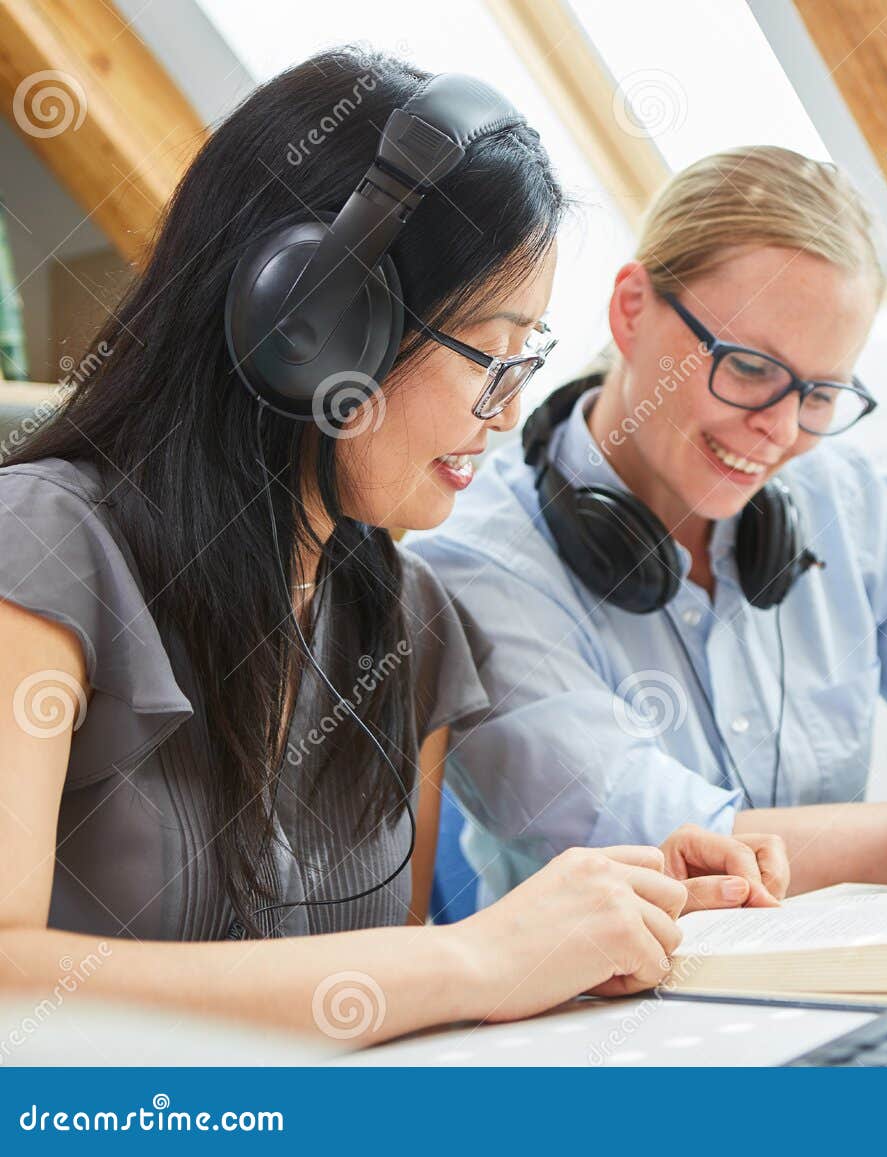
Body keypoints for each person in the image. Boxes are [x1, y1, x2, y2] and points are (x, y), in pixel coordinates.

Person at [0, 50, 785, 1047]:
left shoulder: (410, 620)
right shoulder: (39, 544)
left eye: (526, 357)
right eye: (488, 352)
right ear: (313, 325)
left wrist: (592, 927)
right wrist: (476, 955)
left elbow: (387, 1007)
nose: (505, 416)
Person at [409, 146, 887, 907]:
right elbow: (670, 842)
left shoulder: (843, 499)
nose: (779, 430)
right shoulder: (475, 562)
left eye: (819, 395)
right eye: (748, 367)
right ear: (632, 310)